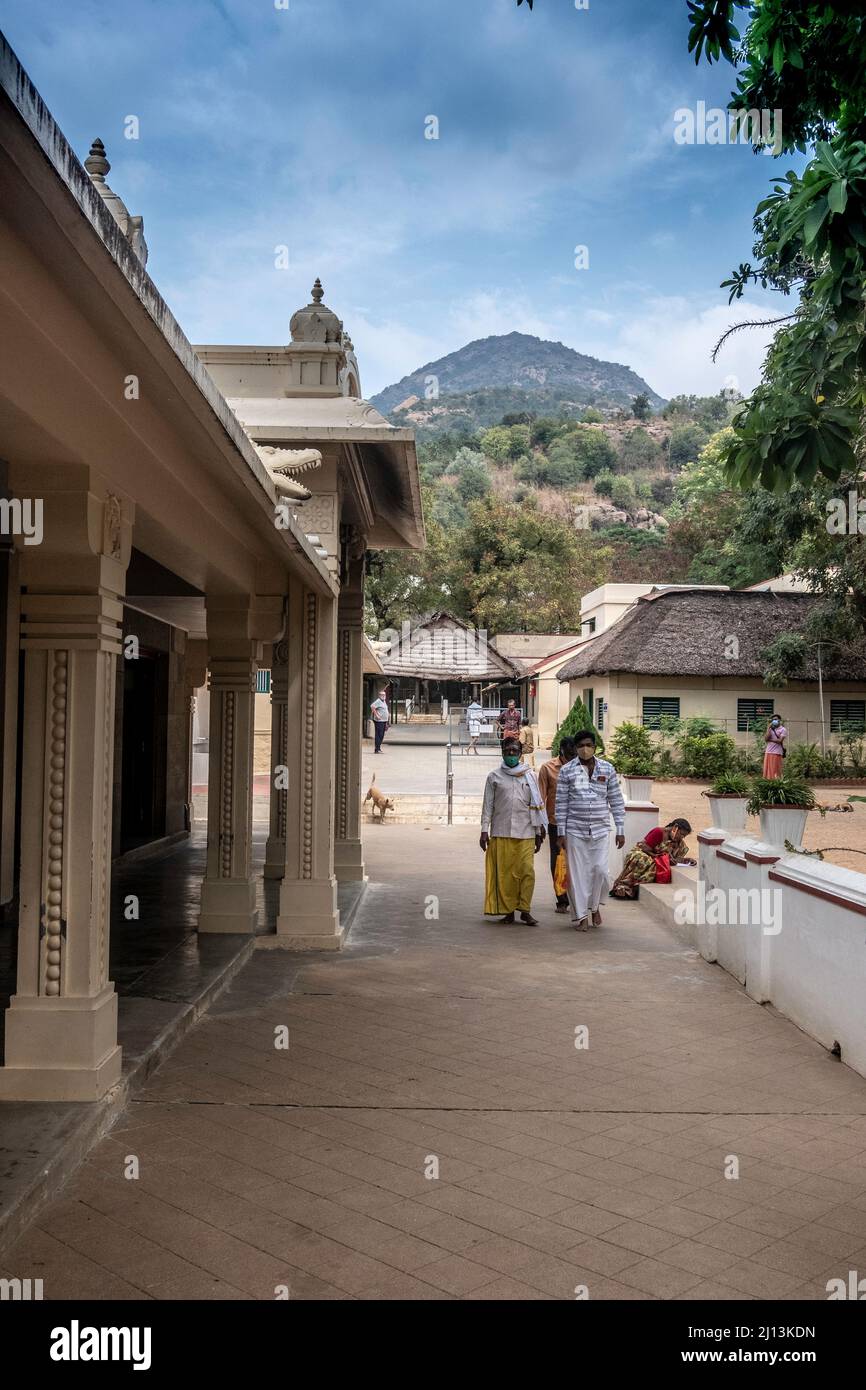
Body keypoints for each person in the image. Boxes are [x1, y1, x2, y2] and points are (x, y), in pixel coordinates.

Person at [555, 729, 625, 931]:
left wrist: (620, 828)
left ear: (595, 746)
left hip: (601, 829)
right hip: (574, 830)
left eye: (588, 745)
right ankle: (581, 916)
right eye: (580, 746)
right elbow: (561, 803)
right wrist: (561, 833)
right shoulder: (567, 771)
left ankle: (594, 907)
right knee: (578, 874)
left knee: (600, 871)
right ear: (576, 749)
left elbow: (616, 801)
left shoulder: (607, 769)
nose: (585, 749)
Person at [480, 737, 547, 925]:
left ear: (521, 753)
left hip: (526, 831)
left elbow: (538, 804)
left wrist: (539, 832)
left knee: (527, 872)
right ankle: (508, 911)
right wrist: (484, 830)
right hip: (501, 831)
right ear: (502, 751)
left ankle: (525, 909)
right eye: (508, 750)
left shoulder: (531, 776)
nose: (511, 754)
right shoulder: (494, 777)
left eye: (515, 751)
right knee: (505, 875)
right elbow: (488, 805)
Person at [538, 736, 576, 913]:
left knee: (576, 861)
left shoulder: (581, 767)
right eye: (568, 754)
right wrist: (539, 824)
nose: (572, 757)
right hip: (555, 822)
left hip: (577, 822)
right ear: (561, 751)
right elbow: (541, 796)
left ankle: (576, 897)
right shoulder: (548, 768)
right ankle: (561, 898)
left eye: (574, 754)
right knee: (558, 860)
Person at [610, 818, 693, 899]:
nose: (681, 837)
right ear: (675, 827)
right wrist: (658, 856)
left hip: (658, 860)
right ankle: (623, 886)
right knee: (644, 860)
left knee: (657, 865)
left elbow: (676, 858)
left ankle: (632, 890)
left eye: (684, 836)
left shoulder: (678, 843)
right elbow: (644, 847)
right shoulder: (659, 832)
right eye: (681, 834)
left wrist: (686, 860)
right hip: (645, 854)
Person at [370, 688, 389, 753]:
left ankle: (378, 748)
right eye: (382, 695)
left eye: (384, 695)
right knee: (379, 734)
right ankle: (377, 749)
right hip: (379, 721)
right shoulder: (378, 701)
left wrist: (386, 722)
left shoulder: (384, 701)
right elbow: (372, 706)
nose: (384, 696)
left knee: (382, 735)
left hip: (384, 721)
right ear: (379, 696)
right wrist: (377, 715)